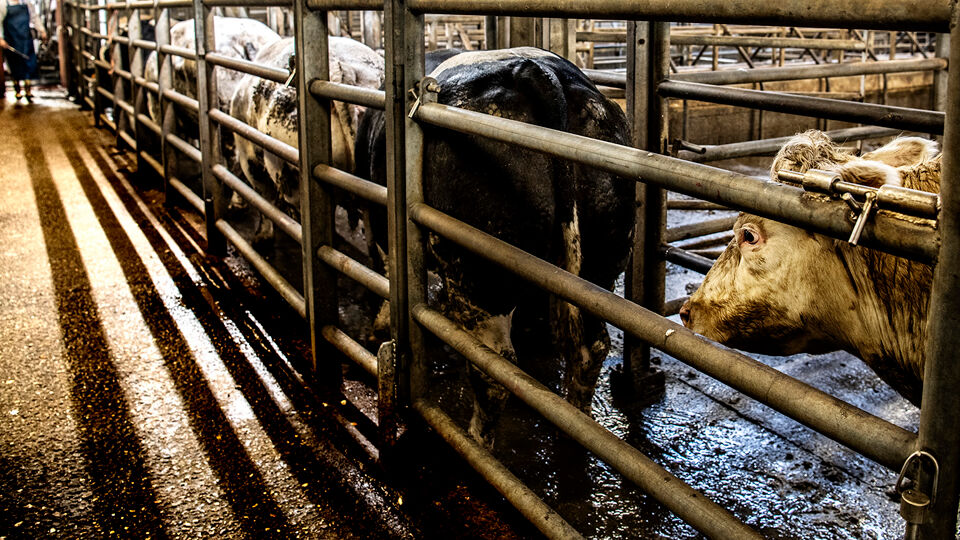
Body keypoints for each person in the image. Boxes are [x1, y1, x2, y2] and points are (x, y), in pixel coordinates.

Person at [0, 0, 45, 101]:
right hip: (11, 39)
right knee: (14, 65)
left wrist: (41, 30)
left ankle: (28, 90)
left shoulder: (26, 3)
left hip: (25, 38)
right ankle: (17, 90)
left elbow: (34, 17)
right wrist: (1, 38)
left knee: (29, 63)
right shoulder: (3, 4)